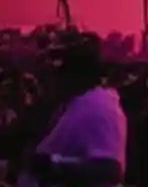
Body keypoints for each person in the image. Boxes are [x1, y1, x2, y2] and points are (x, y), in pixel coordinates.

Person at [19, 36, 126, 186]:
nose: (48, 78)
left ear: (75, 75)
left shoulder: (99, 107)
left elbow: (110, 170)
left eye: (56, 72)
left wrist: (53, 165)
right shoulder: (72, 103)